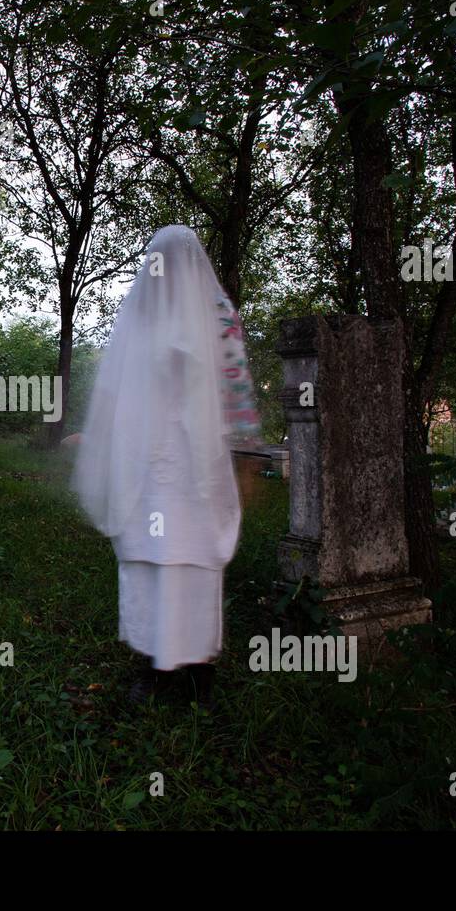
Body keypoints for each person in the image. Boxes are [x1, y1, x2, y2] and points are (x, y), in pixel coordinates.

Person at [72, 225, 259, 708]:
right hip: (144, 463)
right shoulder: (137, 316)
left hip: (200, 467)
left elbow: (236, 399)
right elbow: (113, 391)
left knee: (193, 559)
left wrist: (243, 459)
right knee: (147, 555)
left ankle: (198, 670)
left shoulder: (220, 320)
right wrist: (99, 436)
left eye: (175, 259)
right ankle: (152, 664)